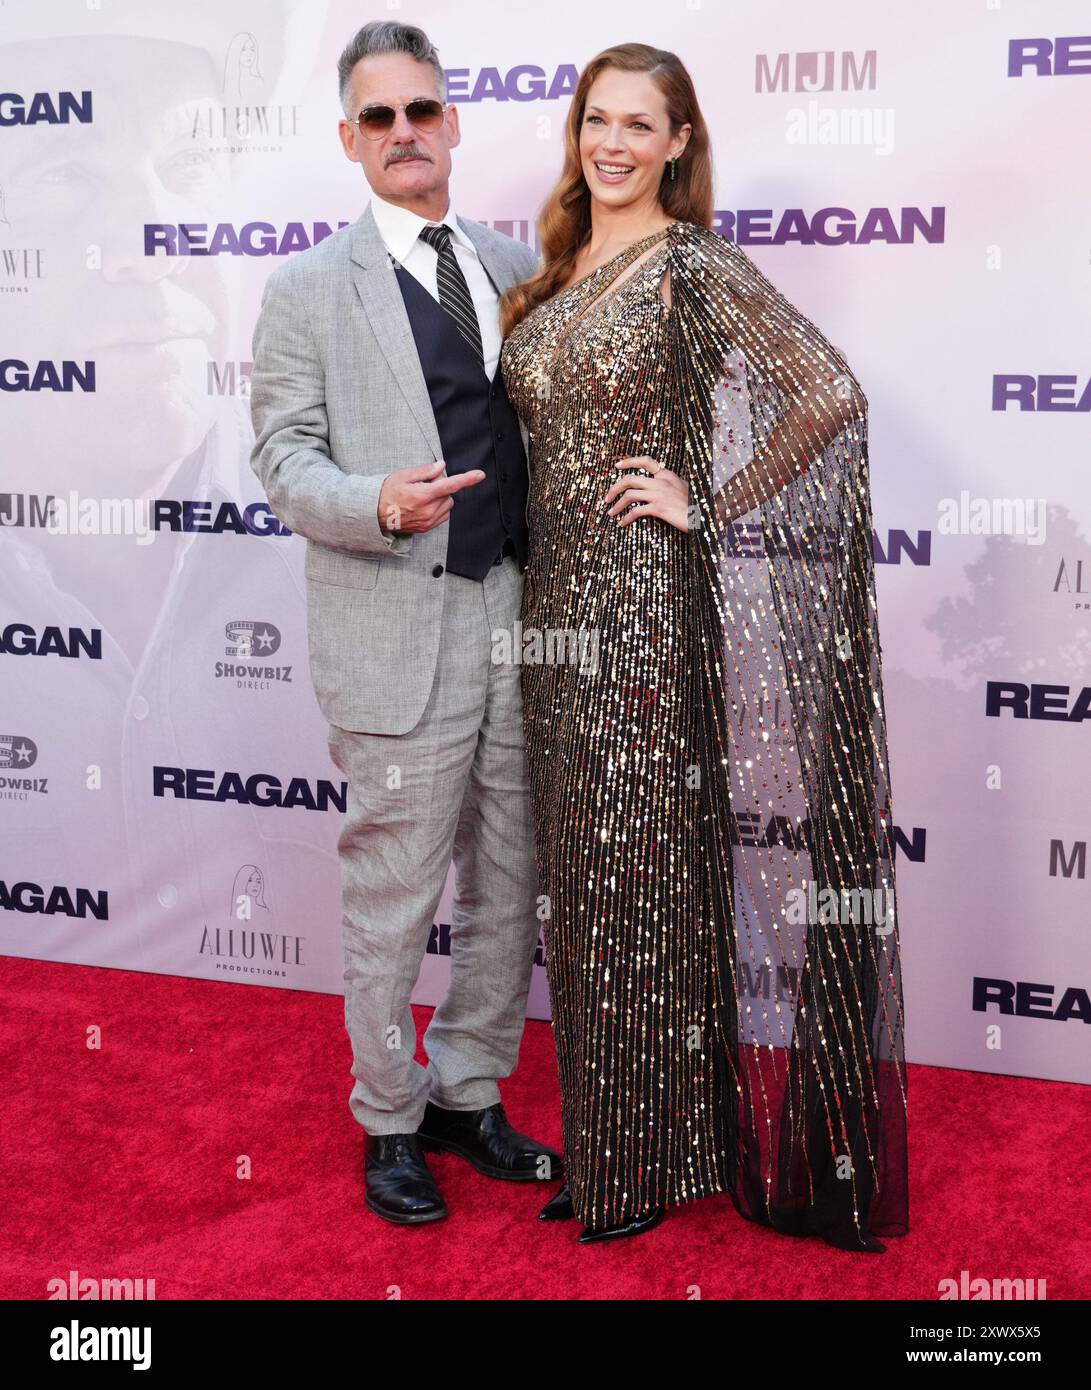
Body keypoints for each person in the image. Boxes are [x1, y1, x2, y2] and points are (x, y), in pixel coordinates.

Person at [500, 44, 908, 1249]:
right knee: (584, 885)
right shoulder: (561, 264)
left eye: (640, 124)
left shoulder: (687, 264)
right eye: (596, 120)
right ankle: (629, 1136)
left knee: (639, 876)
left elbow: (827, 394)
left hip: (638, 607)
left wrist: (711, 500)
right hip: (553, 614)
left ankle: (633, 1165)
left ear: (678, 143)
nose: (612, 143)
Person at [249, 20, 560, 1227]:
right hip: (392, 630)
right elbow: (280, 455)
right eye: (376, 118)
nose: (402, 134)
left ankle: (466, 1091)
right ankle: (388, 1115)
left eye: (419, 111)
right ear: (347, 139)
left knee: (508, 879)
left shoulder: (510, 263)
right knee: (392, 892)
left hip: (518, 623)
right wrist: (371, 502)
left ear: (452, 121)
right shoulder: (305, 288)